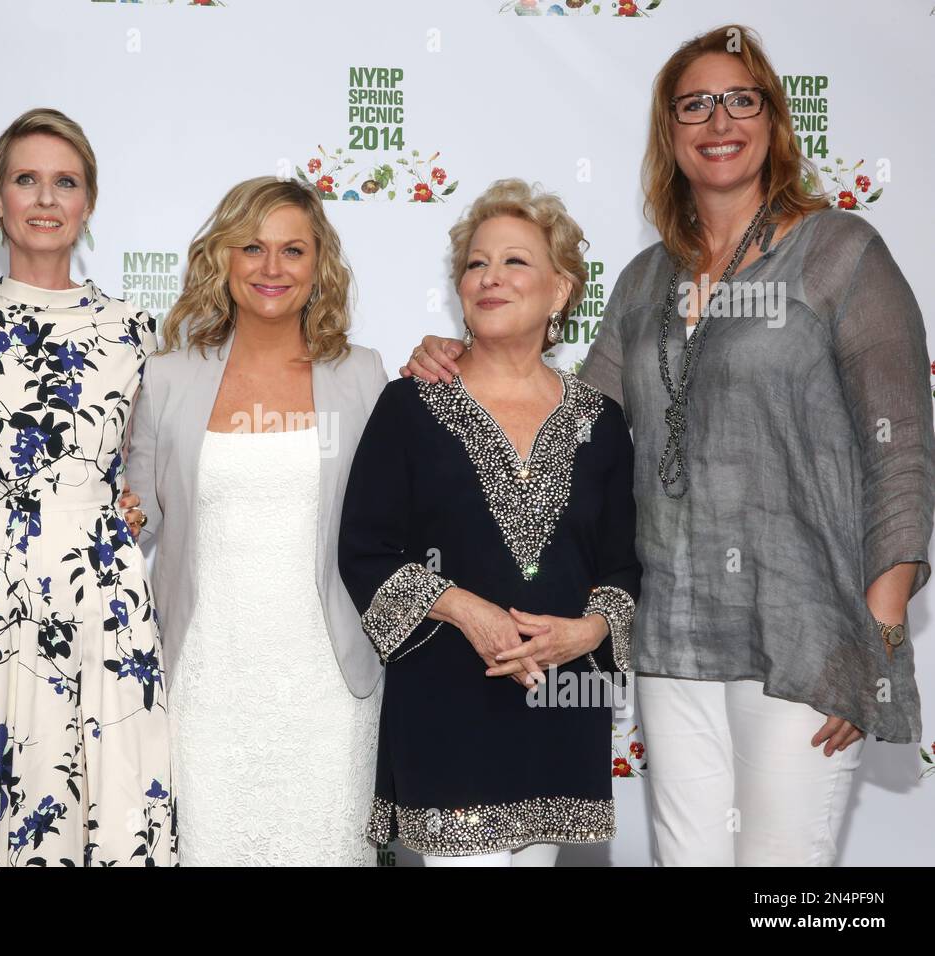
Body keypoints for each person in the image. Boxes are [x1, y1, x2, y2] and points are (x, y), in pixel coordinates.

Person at [400, 25, 934, 866]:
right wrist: (461, 363)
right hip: (672, 636)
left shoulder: (842, 253)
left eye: (740, 99)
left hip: (804, 636)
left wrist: (880, 632)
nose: (718, 120)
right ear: (669, 129)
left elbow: (900, 449)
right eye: (695, 104)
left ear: (773, 120)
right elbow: (580, 424)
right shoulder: (647, 280)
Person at [340, 179, 640, 866]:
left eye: (515, 261)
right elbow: (364, 549)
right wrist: (467, 609)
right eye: (476, 263)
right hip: (448, 707)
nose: (490, 277)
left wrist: (588, 629)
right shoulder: (410, 406)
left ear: (561, 291)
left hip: (561, 707)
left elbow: (624, 563)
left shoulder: (601, 421)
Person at [0, 108, 176, 866]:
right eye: (26, 180)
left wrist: (133, 503)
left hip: (102, 588)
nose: (45, 199)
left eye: (65, 182)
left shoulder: (136, 330)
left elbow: (161, 463)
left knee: (107, 789)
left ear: (89, 202)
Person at [125, 177, 385, 865]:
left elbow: (395, 516)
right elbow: (134, 515)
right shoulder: (167, 378)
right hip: (207, 684)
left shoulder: (363, 376)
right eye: (252, 247)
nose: (272, 269)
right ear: (224, 260)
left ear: (318, 265)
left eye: (292, 250)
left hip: (329, 686)